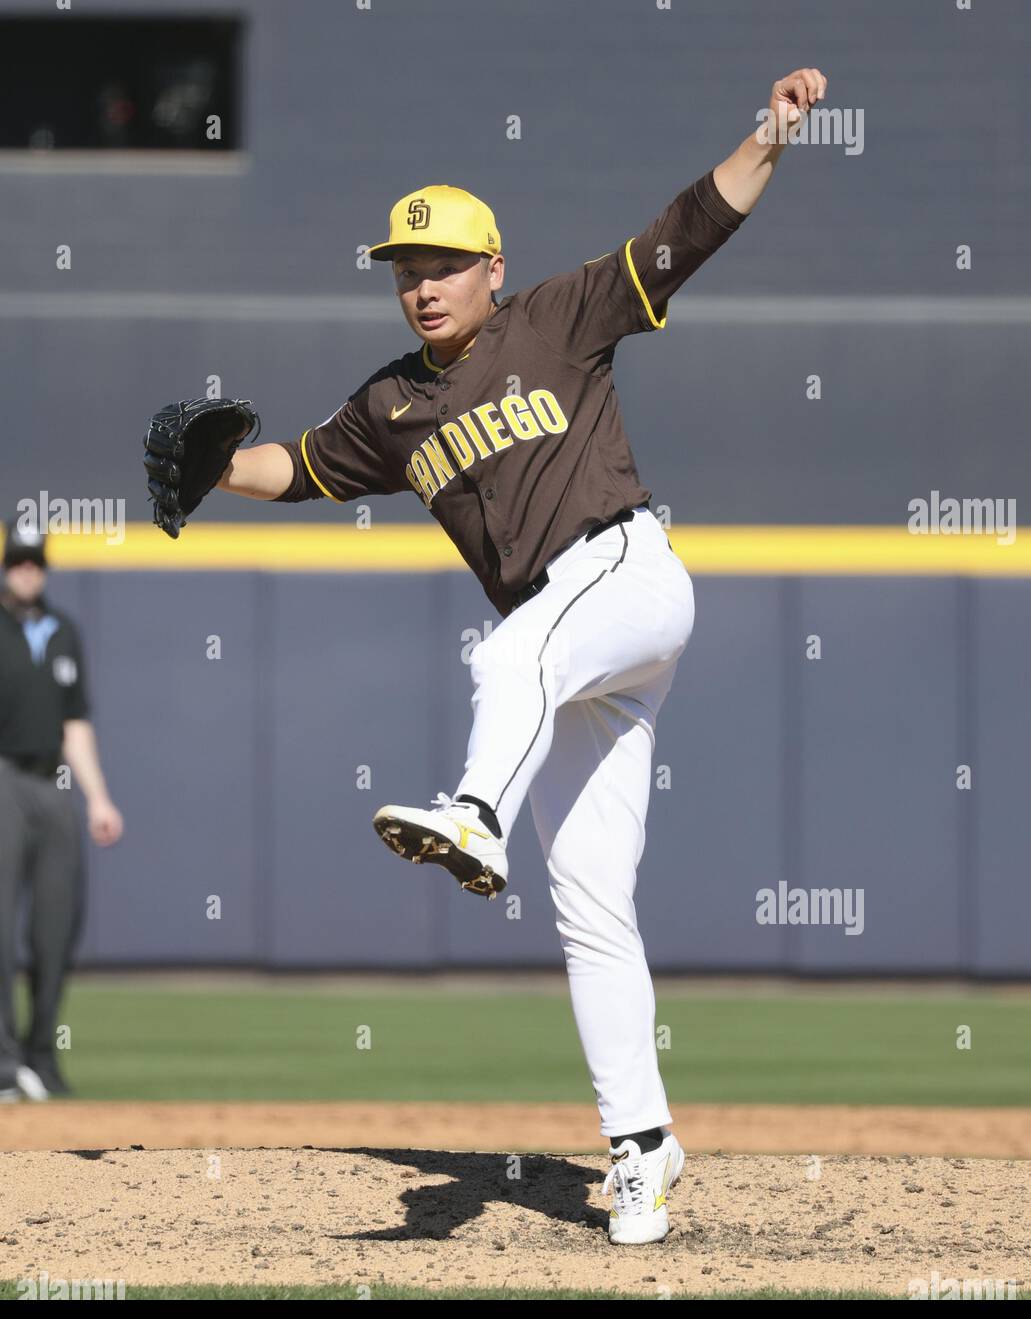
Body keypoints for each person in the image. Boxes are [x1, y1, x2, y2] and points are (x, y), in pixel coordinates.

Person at [145, 69, 827, 1243]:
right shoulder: (387, 408)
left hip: (624, 575)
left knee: (507, 654)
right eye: (404, 269)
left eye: (443, 264)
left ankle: (472, 811)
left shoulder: (555, 316)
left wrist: (768, 134)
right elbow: (296, 471)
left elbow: (689, 229)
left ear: (491, 268)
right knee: (587, 899)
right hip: (577, 661)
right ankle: (644, 1150)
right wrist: (209, 472)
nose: (420, 285)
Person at [0, 521, 124, 1101]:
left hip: (54, 782)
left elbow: (76, 724)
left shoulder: (63, 631)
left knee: (55, 927)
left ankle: (41, 1057)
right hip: (2, 777)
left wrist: (97, 796)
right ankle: (3, 1064)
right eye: (18, 562)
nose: (27, 571)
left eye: (34, 563)